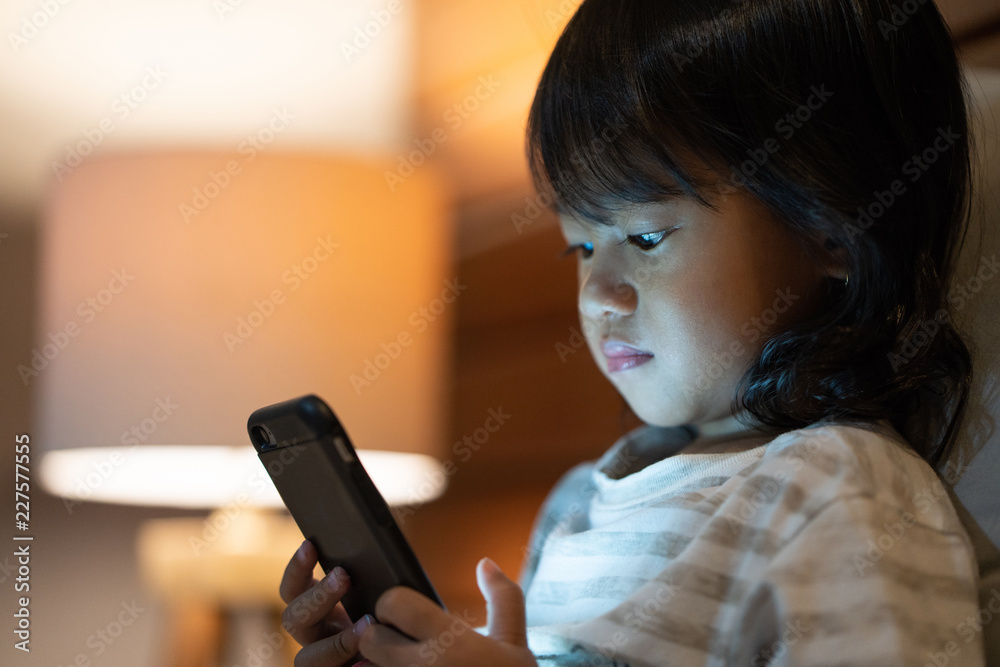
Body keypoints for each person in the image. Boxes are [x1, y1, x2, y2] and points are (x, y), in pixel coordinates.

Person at [278, 0, 988, 664]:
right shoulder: (578, 503)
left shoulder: (838, 489)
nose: (599, 296)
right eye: (580, 248)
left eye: (645, 237)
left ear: (832, 225)